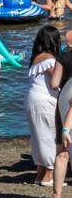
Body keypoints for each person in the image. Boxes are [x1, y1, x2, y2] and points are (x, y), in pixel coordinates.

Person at [26, 25, 62, 187]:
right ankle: (49, 176)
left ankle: (40, 174)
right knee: (48, 135)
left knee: (38, 136)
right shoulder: (49, 59)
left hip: (32, 98)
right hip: (44, 100)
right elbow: (57, 80)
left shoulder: (36, 57)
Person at [49, 30, 72, 198]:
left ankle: (57, 197)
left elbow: (54, 84)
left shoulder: (63, 56)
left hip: (65, 100)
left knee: (62, 151)